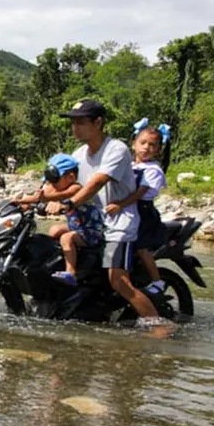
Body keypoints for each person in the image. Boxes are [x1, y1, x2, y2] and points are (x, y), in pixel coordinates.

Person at [49, 99, 165, 327]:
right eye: (73, 122)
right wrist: (33, 198)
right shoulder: (79, 153)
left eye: (81, 122)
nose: (75, 127)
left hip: (119, 224)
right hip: (93, 223)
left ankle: (159, 325)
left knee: (118, 280)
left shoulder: (117, 149)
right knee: (54, 236)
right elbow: (63, 181)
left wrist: (69, 203)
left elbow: (97, 182)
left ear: (98, 122)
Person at [18, 153, 105, 286]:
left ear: (70, 177)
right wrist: (20, 201)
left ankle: (71, 273)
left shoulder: (76, 187)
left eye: (54, 180)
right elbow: (41, 196)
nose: (51, 184)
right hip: (76, 227)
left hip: (91, 231)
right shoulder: (57, 185)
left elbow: (64, 195)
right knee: (54, 230)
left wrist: (54, 202)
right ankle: (59, 260)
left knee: (66, 238)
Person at [112, 125, 169, 295]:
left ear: (158, 149)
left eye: (152, 145)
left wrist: (120, 204)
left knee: (141, 248)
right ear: (133, 144)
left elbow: (139, 194)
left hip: (142, 213)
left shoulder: (153, 170)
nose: (146, 147)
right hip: (127, 210)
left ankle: (157, 281)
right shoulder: (128, 165)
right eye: (143, 142)